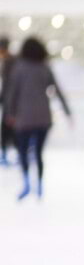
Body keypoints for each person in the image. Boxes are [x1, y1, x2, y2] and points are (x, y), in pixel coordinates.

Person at [3, 36, 71, 201]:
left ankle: (27, 182)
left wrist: (9, 114)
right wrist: (67, 111)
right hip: (43, 118)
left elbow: (12, 93)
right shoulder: (44, 67)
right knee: (39, 153)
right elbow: (58, 91)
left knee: (23, 151)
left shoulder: (19, 68)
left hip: (23, 118)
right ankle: (39, 184)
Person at [0, 36, 14, 167]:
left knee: (8, 129)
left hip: (11, 103)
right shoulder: (6, 61)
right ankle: (4, 154)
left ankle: (6, 154)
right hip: (7, 101)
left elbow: (10, 85)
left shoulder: (11, 62)